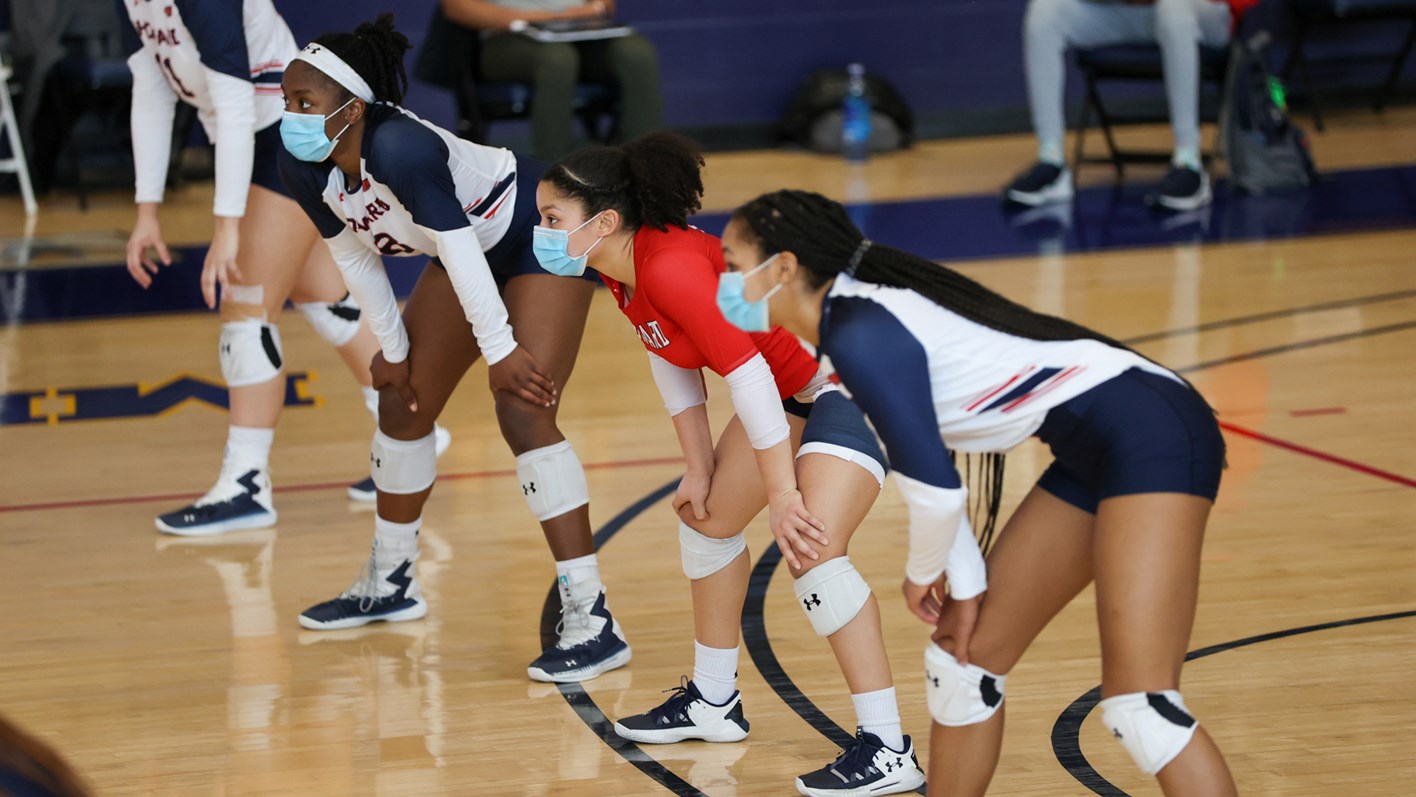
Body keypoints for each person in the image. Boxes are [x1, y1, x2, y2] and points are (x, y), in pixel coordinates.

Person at [723, 189, 1239, 796]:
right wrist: (964, 584)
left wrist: (924, 573)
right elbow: (935, 473)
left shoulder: (862, 333)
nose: (724, 285)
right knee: (962, 664)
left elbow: (936, 493)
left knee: (1140, 706)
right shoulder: (844, 337)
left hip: (1155, 433)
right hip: (1092, 448)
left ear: (783, 268)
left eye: (733, 266)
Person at [533, 134, 954, 796]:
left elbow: (748, 373)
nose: (541, 232)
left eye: (551, 218)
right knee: (706, 521)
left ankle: (888, 745)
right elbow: (669, 357)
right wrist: (699, 466)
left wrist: (785, 492)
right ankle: (713, 699)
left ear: (604, 222)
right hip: (794, 392)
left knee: (812, 544)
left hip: (856, 381)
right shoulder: (623, 271)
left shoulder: (669, 264)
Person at [277, 14, 632, 685]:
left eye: (306, 103)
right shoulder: (299, 163)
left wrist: (501, 351)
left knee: (521, 405)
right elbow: (352, 255)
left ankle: (592, 615)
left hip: (536, 228)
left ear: (353, 109)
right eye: (287, 101)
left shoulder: (401, 151)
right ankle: (390, 578)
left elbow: (464, 249)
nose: (291, 115)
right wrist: (390, 346)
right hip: (461, 249)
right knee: (401, 400)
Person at [117, 0, 432, 536]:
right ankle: (414, 431)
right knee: (324, 300)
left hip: (285, 133)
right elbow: (151, 85)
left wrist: (227, 226)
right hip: (260, 135)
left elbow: (237, 102)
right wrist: (146, 210)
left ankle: (246, 486)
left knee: (244, 309)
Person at [1003, 0, 1258, 211]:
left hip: (1203, 12)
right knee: (1045, 13)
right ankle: (1051, 159)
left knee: (1174, 10)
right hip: (1128, 9)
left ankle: (1188, 161)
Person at [440, 0, 663, 162]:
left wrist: (593, 9)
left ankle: (648, 172)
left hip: (579, 30)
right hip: (507, 36)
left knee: (637, 53)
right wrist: (536, 19)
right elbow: (456, 7)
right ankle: (555, 176)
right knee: (558, 59)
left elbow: (605, 4)